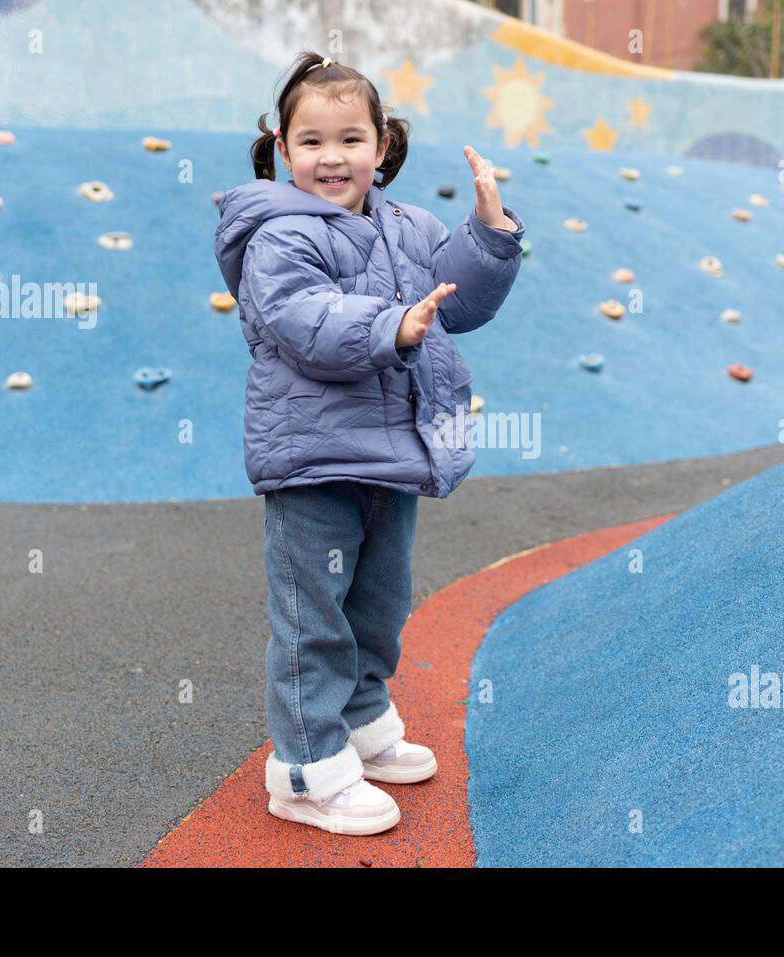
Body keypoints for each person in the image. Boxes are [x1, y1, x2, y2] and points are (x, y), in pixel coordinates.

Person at [213, 51, 526, 835]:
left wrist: (490, 232)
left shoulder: (406, 226)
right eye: (311, 141)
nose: (332, 157)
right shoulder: (277, 236)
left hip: (388, 454)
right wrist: (392, 324)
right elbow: (302, 321)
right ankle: (306, 768)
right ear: (282, 148)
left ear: (382, 145)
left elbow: (458, 296)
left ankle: (361, 719)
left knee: (378, 602)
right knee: (312, 612)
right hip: (313, 459)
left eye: (350, 139)